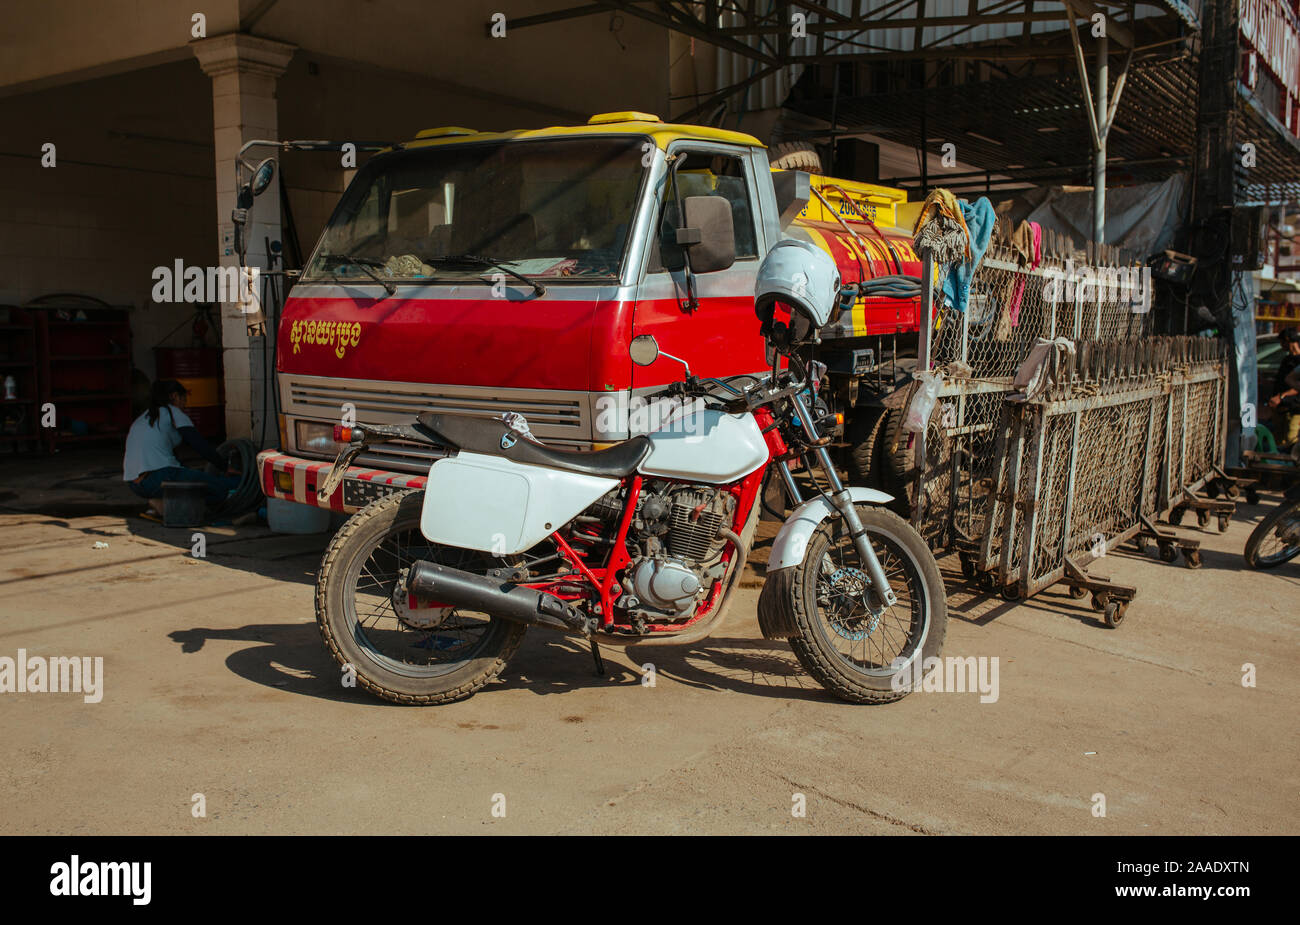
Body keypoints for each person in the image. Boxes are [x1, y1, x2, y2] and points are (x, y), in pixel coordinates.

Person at [123, 379, 238, 506]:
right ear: (175, 396)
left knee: (193, 478)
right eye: (184, 400)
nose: (185, 406)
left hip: (135, 485)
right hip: (159, 478)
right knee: (220, 486)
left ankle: (164, 504)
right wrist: (225, 467)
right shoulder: (173, 412)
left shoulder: (143, 418)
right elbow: (200, 445)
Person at [1267, 327, 1300, 446]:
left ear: (1287, 340)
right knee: (1278, 442)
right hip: (1281, 408)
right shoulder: (1287, 360)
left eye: (1282, 342)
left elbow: (1295, 385)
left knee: (1292, 441)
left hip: (1295, 407)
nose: (1281, 345)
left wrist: (1281, 396)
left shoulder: (1298, 362)